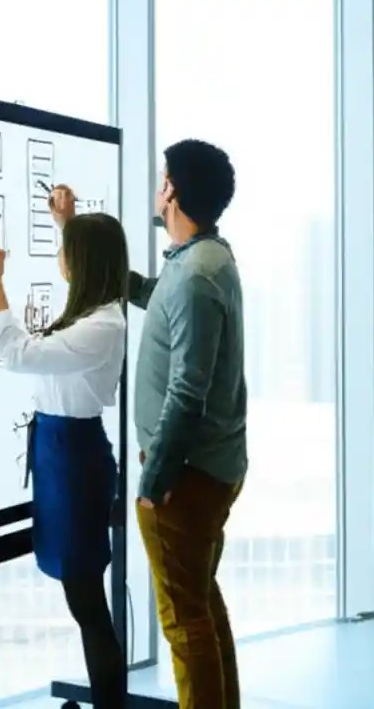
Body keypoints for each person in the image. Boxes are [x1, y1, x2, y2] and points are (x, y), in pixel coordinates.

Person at [0, 197, 129, 709]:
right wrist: (66, 222)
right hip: (61, 453)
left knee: (87, 602)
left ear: (83, 264)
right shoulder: (95, 313)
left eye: (67, 252)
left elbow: (19, 354)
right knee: (82, 598)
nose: (60, 261)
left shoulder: (103, 326)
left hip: (73, 461)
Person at [130, 138, 246, 708]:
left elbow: (187, 391)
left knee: (184, 622)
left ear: (172, 190)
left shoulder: (197, 274)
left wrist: (155, 481)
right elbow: (162, 301)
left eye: (162, 179)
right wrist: (104, 267)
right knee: (200, 605)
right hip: (203, 467)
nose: (158, 188)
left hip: (185, 476)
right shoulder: (201, 260)